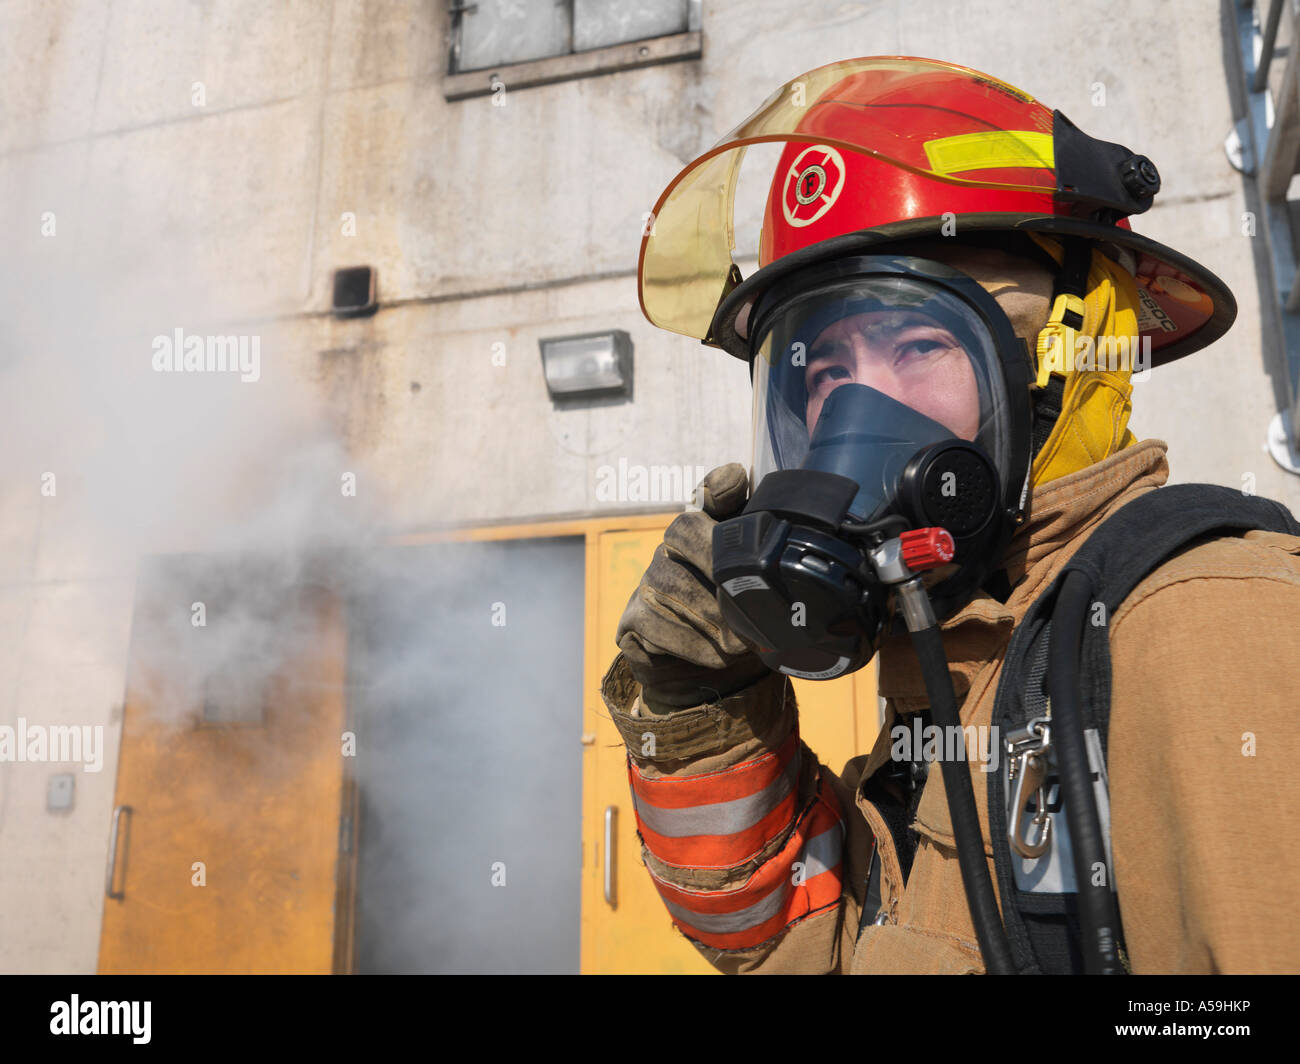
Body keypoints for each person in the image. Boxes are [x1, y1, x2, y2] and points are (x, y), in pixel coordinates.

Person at [604, 57, 1300, 974]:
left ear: (1071, 362)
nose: (851, 411)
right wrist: (701, 707)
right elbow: (794, 945)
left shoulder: (1204, 618)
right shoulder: (953, 657)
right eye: (820, 371)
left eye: (919, 342)